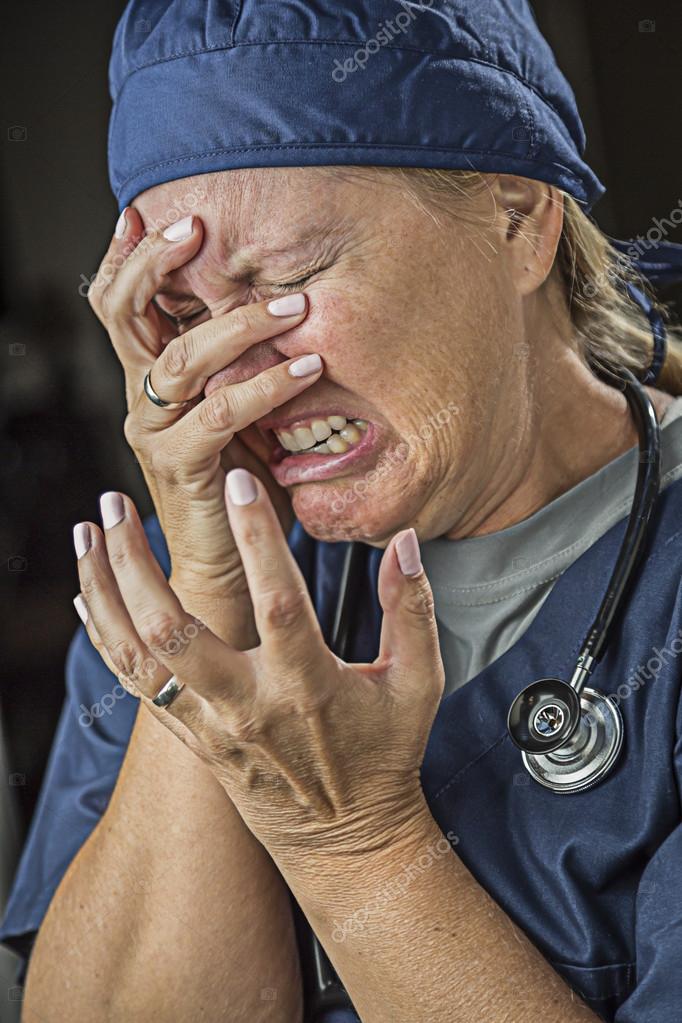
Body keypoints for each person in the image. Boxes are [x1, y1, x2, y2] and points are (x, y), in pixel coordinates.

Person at [4, 2, 682, 1021]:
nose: (238, 372)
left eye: (287, 281)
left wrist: (353, 845)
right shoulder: (169, 597)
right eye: (185, 317)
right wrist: (210, 594)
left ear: (518, 218)